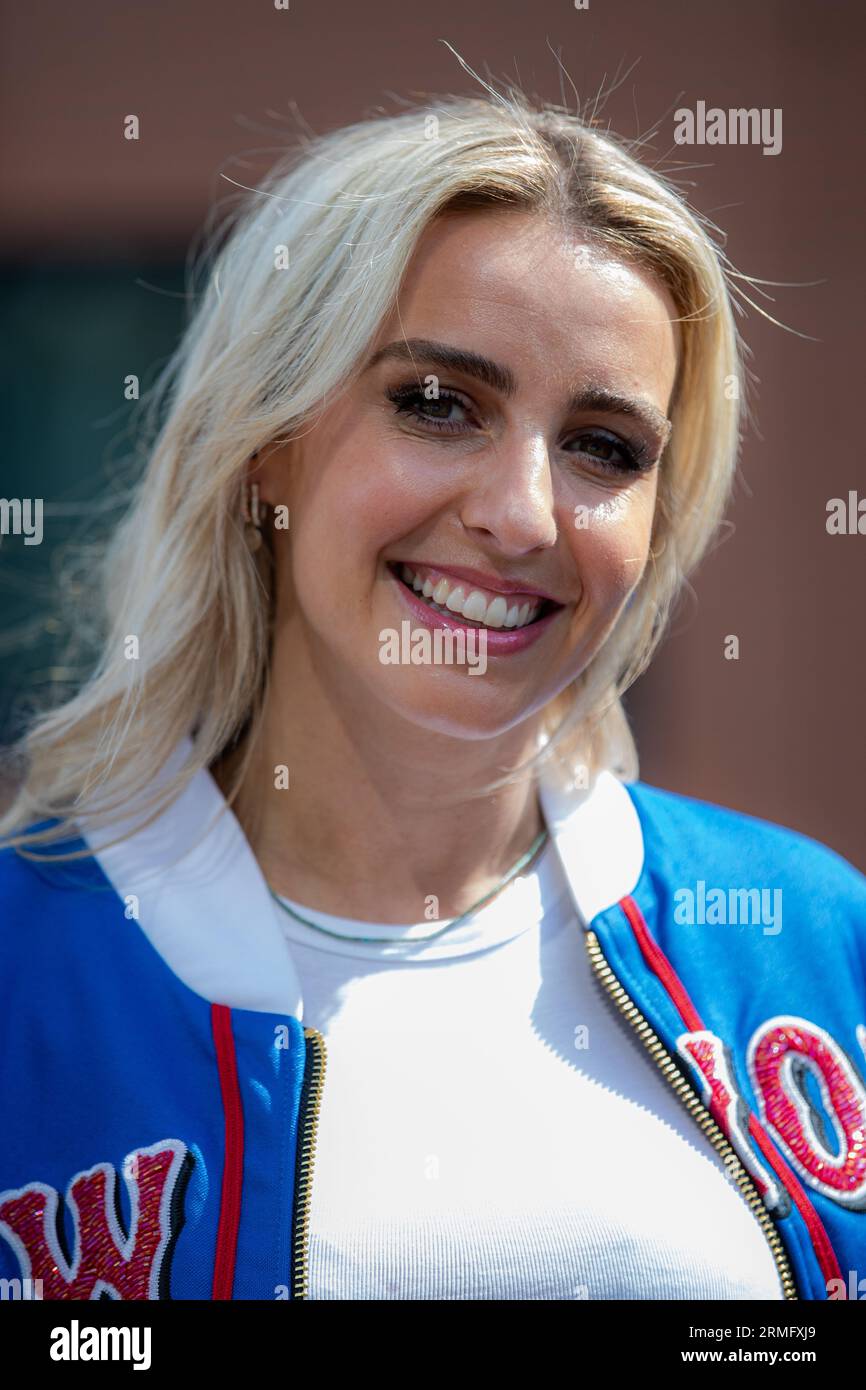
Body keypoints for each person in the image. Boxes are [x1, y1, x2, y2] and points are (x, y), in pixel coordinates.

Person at [0, 87, 863, 1303]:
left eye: (603, 447)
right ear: (267, 449)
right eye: (435, 403)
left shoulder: (808, 937)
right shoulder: (24, 968)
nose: (519, 515)